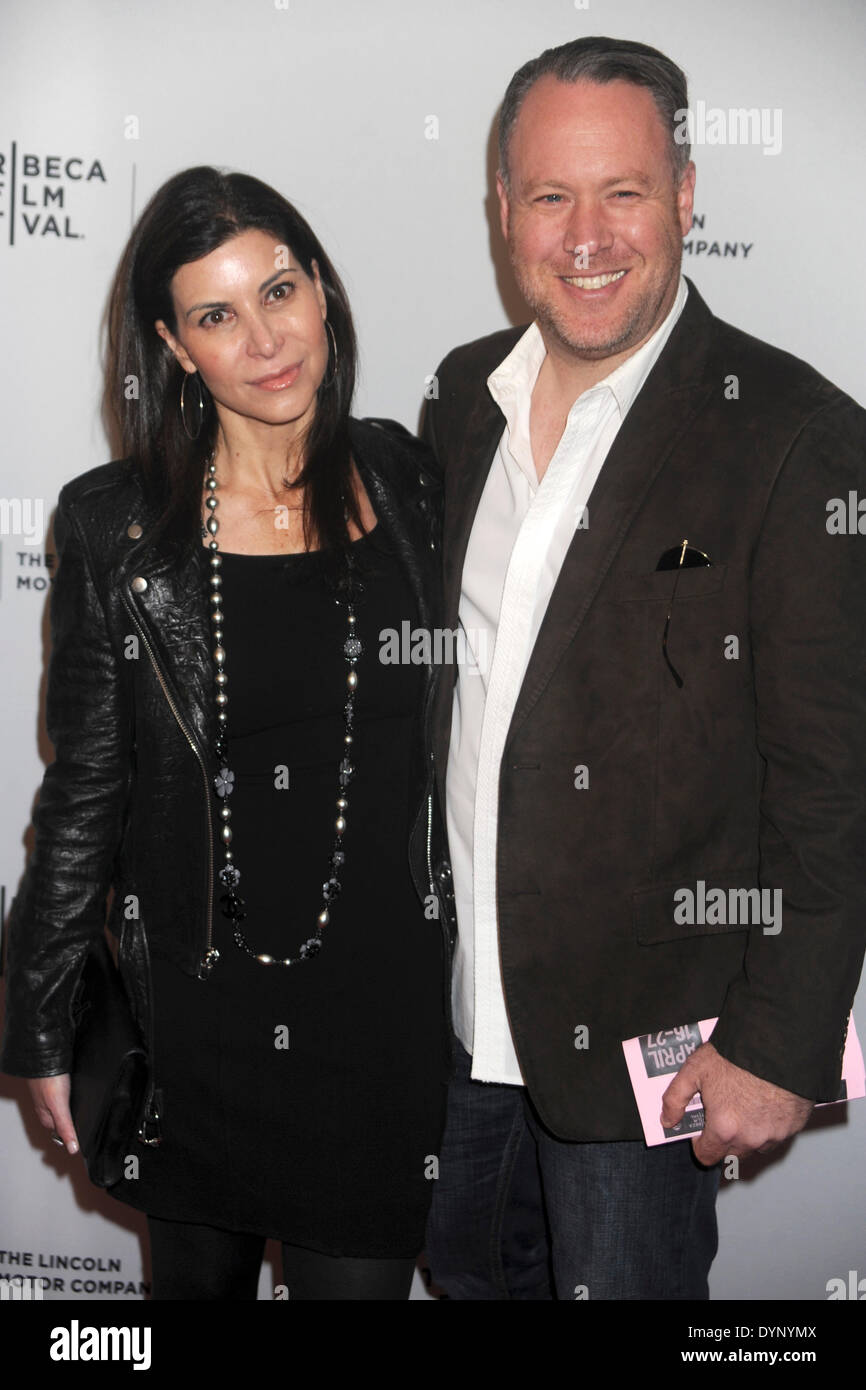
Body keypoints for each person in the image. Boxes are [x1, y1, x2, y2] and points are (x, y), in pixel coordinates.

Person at [422, 36, 866, 1300]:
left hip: (650, 1052)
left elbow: (831, 784)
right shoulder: (460, 401)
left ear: (683, 194)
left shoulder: (793, 439)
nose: (585, 237)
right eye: (549, 196)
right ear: (502, 210)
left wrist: (777, 1044)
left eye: (621, 192)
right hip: (457, 1029)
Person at [0, 166, 452, 1301]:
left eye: (281, 290)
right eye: (216, 315)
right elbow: (83, 792)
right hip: (195, 1029)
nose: (264, 339)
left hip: (379, 1027)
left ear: (324, 294)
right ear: (173, 344)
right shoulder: (118, 526)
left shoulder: (411, 481)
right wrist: (40, 1018)